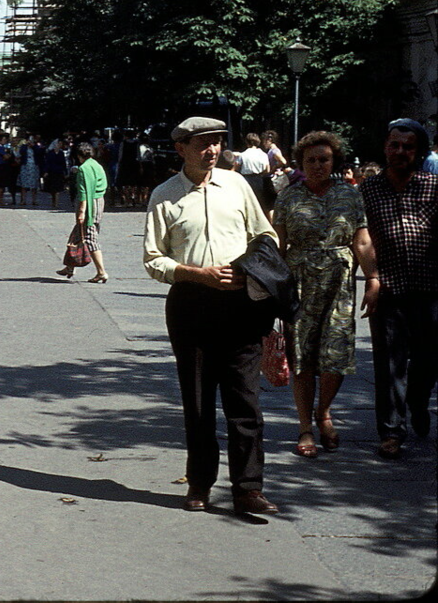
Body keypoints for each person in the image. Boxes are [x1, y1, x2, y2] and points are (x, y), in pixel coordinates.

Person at [143, 116, 280, 516]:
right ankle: (199, 483)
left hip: (241, 305)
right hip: (191, 305)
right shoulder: (164, 196)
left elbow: (265, 235)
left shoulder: (237, 185)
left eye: (217, 142)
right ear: (181, 148)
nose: (212, 150)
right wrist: (195, 273)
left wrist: (249, 266)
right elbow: (153, 260)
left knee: (245, 401)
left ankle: (248, 488)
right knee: (199, 402)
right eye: (203, 143)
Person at [272, 131, 379, 459]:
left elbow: (361, 241)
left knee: (335, 357)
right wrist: (272, 289)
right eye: (311, 160)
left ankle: (324, 412)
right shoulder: (288, 197)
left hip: (339, 285)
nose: (318, 165)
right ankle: (306, 425)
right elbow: (278, 244)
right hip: (299, 285)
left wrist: (373, 277)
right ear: (301, 164)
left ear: (334, 162)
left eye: (324, 159)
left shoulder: (350, 195)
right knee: (302, 357)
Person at [360, 119, 438, 460]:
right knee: (389, 364)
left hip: (430, 288)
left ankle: (418, 403)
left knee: (428, 361)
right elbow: (360, 239)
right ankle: (391, 432)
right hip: (388, 289)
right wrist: (372, 278)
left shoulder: (434, 186)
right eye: (395, 145)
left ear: (418, 152)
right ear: (385, 148)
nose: (401, 152)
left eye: (408, 147)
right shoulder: (367, 190)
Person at [57, 143, 109, 283]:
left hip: (90, 205)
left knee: (90, 238)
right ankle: (69, 267)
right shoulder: (96, 165)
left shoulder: (83, 169)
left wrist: (81, 212)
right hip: (98, 201)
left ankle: (101, 272)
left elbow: (84, 193)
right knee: (77, 234)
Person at [43, 138, 68, 209]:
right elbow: (47, 162)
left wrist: (65, 172)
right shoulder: (50, 153)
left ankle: (56, 203)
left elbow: (63, 163)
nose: (59, 145)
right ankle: (53, 201)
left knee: (57, 188)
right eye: (58, 143)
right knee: (52, 189)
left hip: (59, 172)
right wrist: (46, 171)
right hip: (51, 172)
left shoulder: (61, 153)